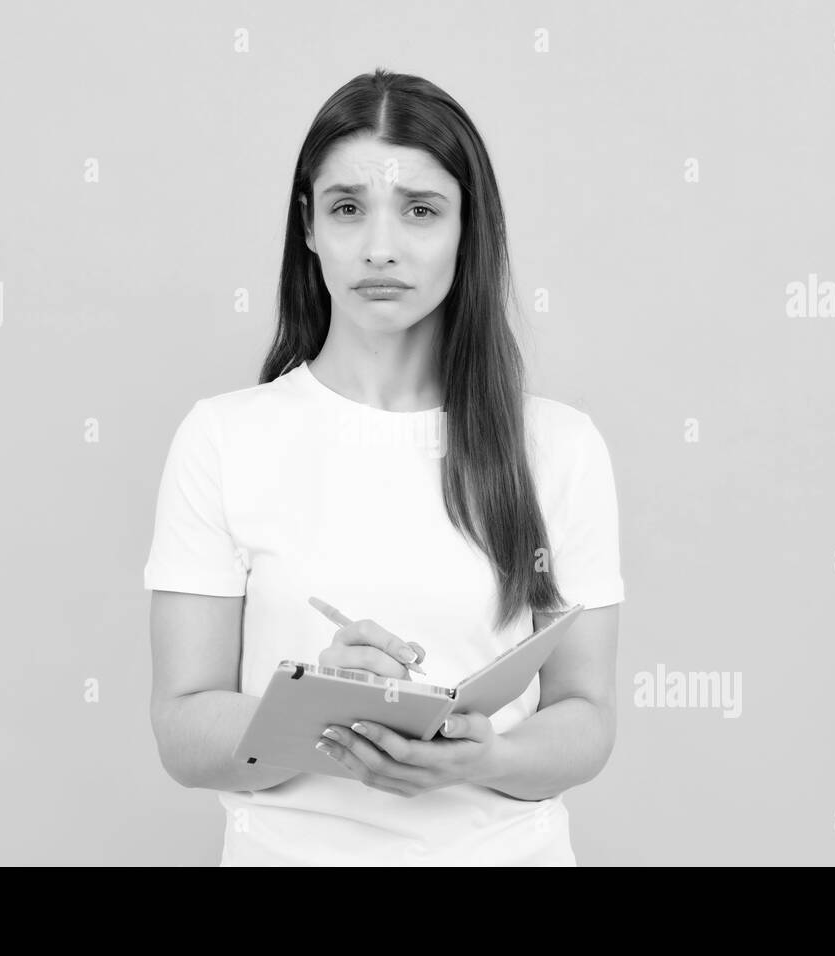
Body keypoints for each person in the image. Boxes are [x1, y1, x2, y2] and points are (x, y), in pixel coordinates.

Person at [144, 67, 625, 866]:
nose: (380, 249)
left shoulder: (561, 449)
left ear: (470, 227)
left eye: (422, 212)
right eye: (346, 209)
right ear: (307, 225)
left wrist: (490, 757)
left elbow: (587, 715)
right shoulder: (223, 439)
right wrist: (307, 708)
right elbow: (182, 734)